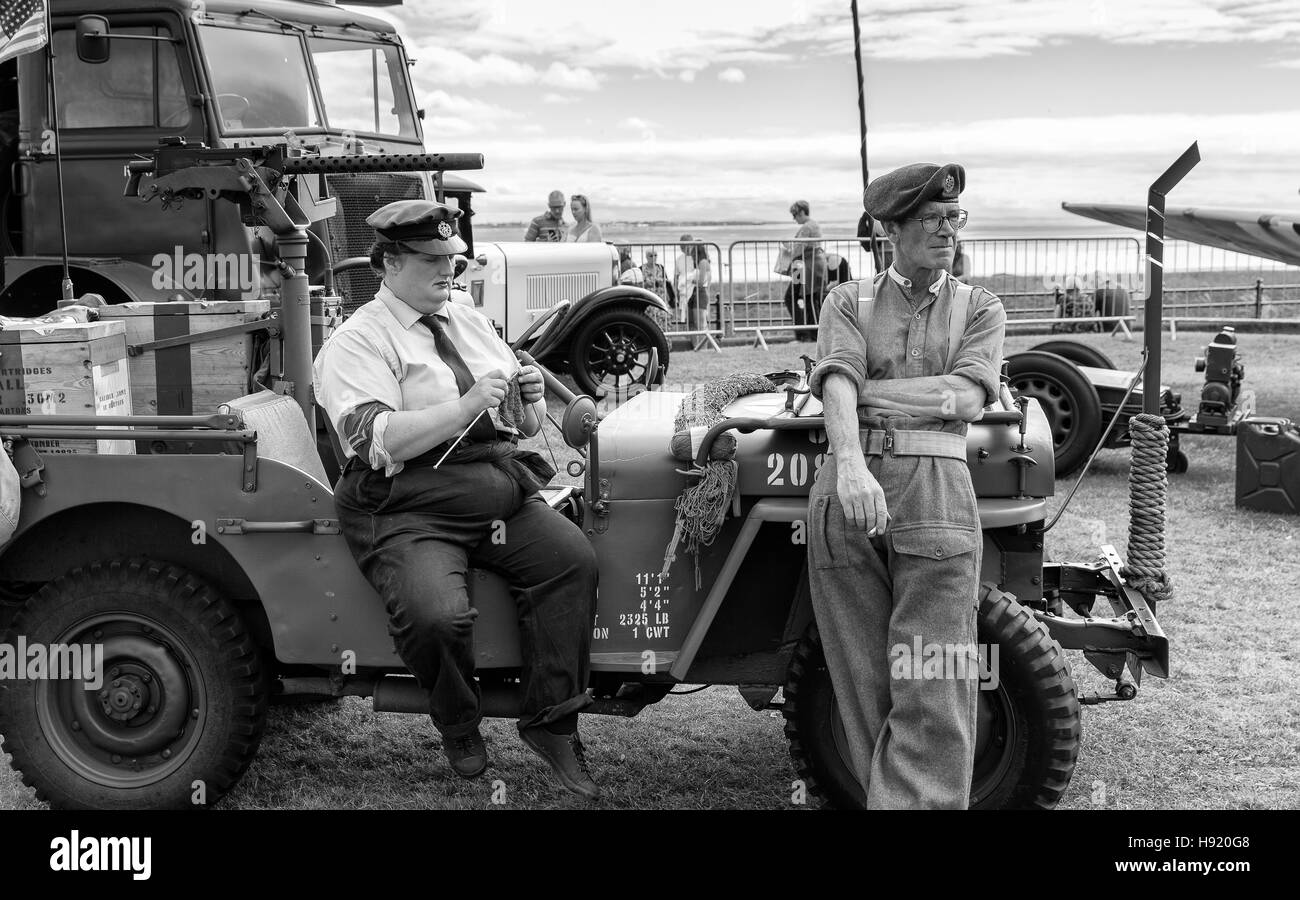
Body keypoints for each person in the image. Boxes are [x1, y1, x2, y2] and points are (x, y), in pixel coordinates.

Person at [314, 199, 601, 800]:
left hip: (489, 490)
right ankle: (459, 722)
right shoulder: (357, 341)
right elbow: (375, 439)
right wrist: (467, 407)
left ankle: (551, 721)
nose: (449, 270)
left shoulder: (464, 315)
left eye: (454, 258)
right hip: (403, 505)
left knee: (571, 561)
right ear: (390, 263)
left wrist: (527, 401)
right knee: (436, 616)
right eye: (433, 259)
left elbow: (518, 429)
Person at [807, 163, 1006, 808]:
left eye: (956, 219)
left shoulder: (980, 308)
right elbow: (837, 381)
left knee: (934, 672)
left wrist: (867, 392)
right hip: (848, 488)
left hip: (935, 491)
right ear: (891, 229)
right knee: (860, 678)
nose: (949, 231)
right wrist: (852, 466)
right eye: (933, 220)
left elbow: (966, 398)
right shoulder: (847, 300)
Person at [783, 200, 829, 341]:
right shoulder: (813, 225)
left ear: (802, 212)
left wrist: (787, 248)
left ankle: (804, 333)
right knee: (811, 300)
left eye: (795, 215)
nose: (794, 218)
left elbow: (798, 249)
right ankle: (809, 333)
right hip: (809, 266)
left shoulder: (807, 228)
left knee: (793, 298)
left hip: (803, 267)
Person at [674, 234, 711, 332]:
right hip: (685, 292)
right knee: (689, 322)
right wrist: (676, 294)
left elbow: (706, 277)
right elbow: (676, 277)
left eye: (686, 246)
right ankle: (695, 345)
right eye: (681, 246)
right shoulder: (679, 259)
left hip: (698, 290)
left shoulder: (700, 260)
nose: (684, 248)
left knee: (700, 322)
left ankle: (703, 345)